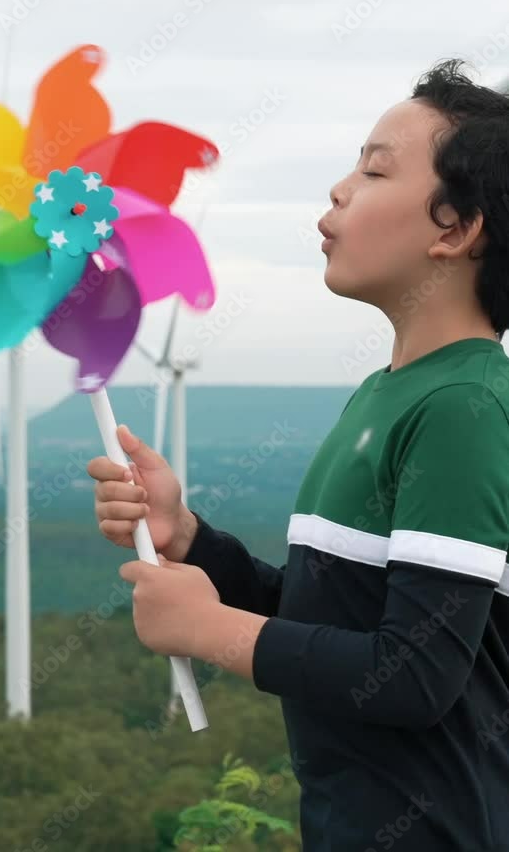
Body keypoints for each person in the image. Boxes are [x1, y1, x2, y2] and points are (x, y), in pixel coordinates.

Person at [87, 58, 509, 852]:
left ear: (456, 229)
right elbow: (325, 613)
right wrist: (189, 538)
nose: (340, 189)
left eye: (375, 168)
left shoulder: (464, 407)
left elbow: (413, 675)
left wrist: (210, 631)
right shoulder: (386, 393)